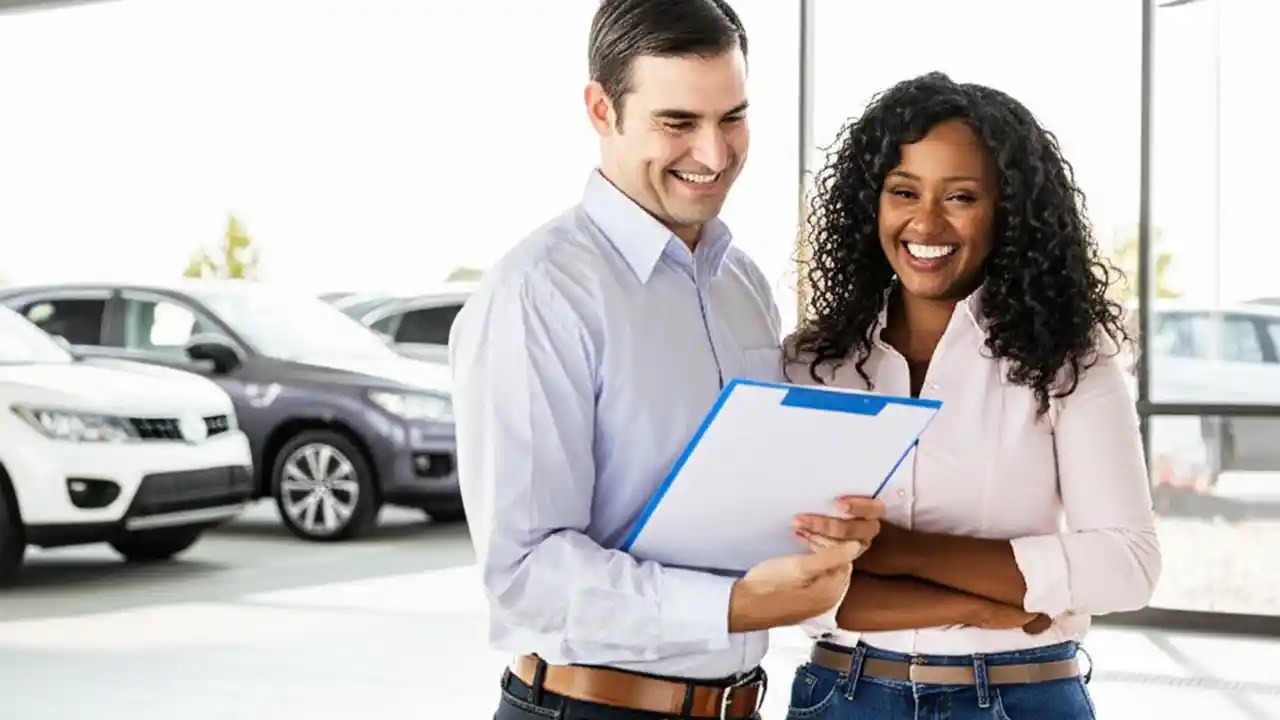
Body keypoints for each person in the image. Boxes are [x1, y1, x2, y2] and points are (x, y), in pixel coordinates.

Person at [449, 2, 884, 718]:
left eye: (732, 117)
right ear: (601, 108)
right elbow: (525, 575)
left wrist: (826, 531)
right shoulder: (539, 293)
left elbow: (740, 497)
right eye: (677, 123)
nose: (713, 155)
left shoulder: (740, 282)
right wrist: (735, 605)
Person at [782, 72, 1162, 720]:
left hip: (1020, 699)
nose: (925, 222)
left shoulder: (1069, 358)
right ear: (870, 204)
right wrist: (988, 602)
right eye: (904, 191)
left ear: (1006, 212)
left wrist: (896, 551)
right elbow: (797, 584)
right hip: (842, 698)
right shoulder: (811, 364)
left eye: (961, 196)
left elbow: (1126, 563)